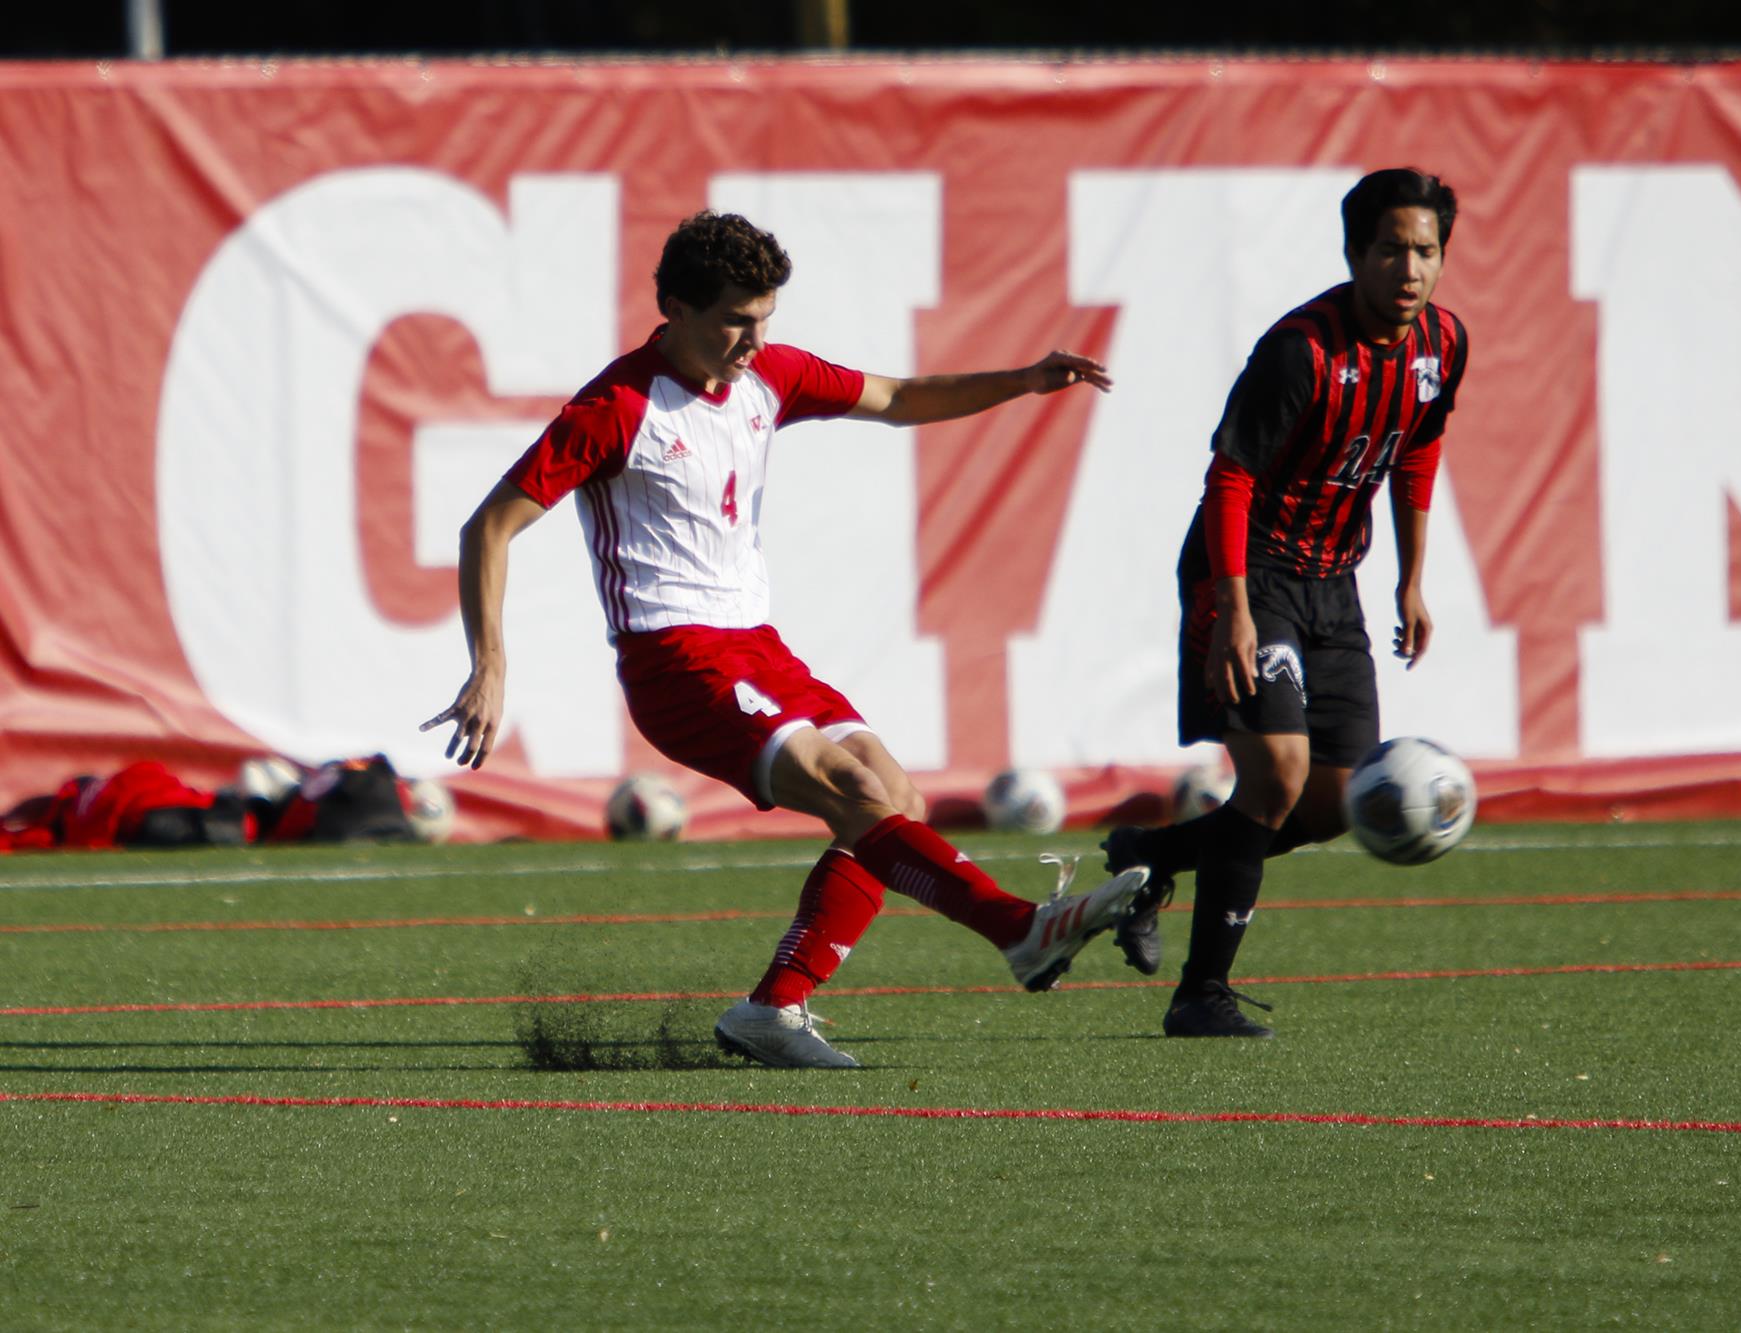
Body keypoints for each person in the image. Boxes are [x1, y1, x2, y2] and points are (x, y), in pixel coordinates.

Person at [423, 211, 1148, 1069]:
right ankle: (1020, 927)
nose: (753, 339)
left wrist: (1023, 379)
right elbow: (488, 528)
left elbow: (901, 398)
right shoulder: (615, 407)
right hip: (675, 658)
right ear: (673, 308)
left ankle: (774, 1007)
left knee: (892, 796)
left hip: (759, 646)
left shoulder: (772, 375)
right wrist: (490, 666)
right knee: (850, 787)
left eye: (765, 318)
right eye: (735, 319)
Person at [1102, 168, 1470, 1038]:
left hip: (1333, 580)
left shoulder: (1444, 345)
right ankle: (1202, 994)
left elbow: (1417, 452)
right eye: (1390, 250)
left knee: (1337, 802)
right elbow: (1230, 477)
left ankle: (1151, 855)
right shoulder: (1302, 350)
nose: (1408, 269)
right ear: (1354, 255)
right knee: (1275, 773)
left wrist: (1411, 578)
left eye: (1425, 251)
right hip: (1247, 571)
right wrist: (1231, 608)